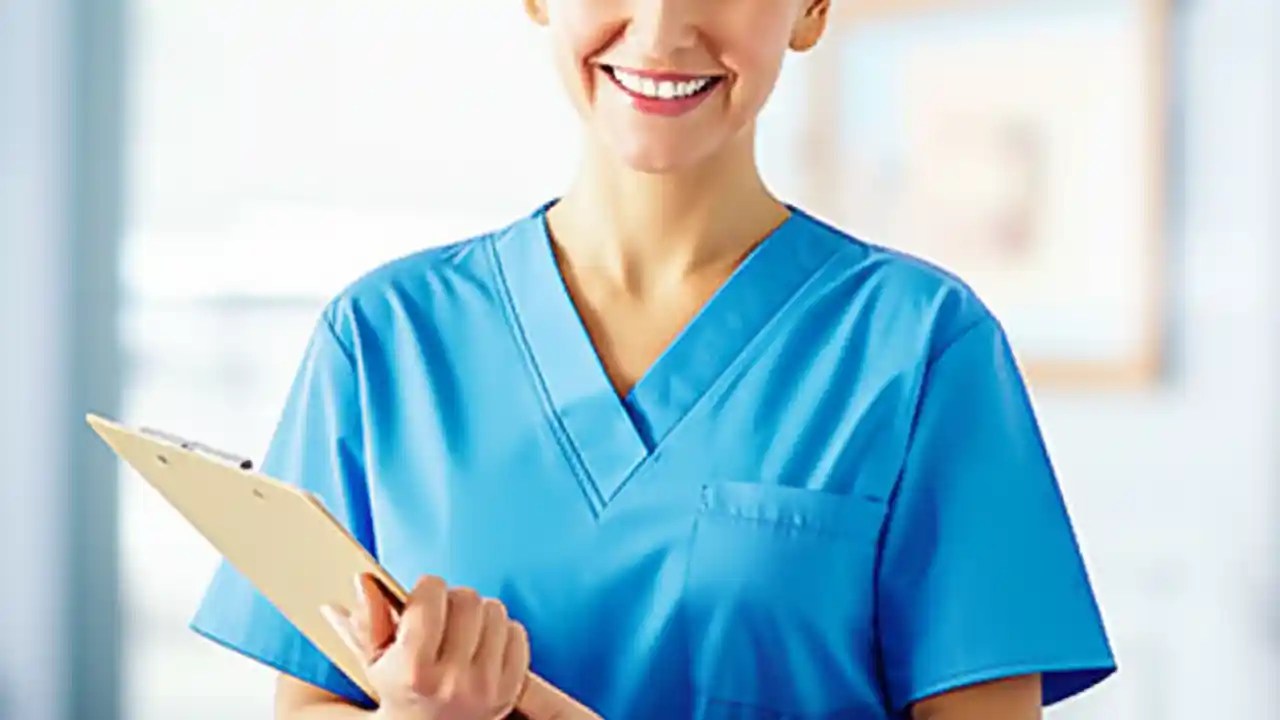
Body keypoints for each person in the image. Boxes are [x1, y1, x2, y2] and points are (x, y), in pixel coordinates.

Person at [190, 1, 1118, 718]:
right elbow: (311, 698)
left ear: (813, 8)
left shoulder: (921, 349)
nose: (665, 26)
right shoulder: (385, 340)